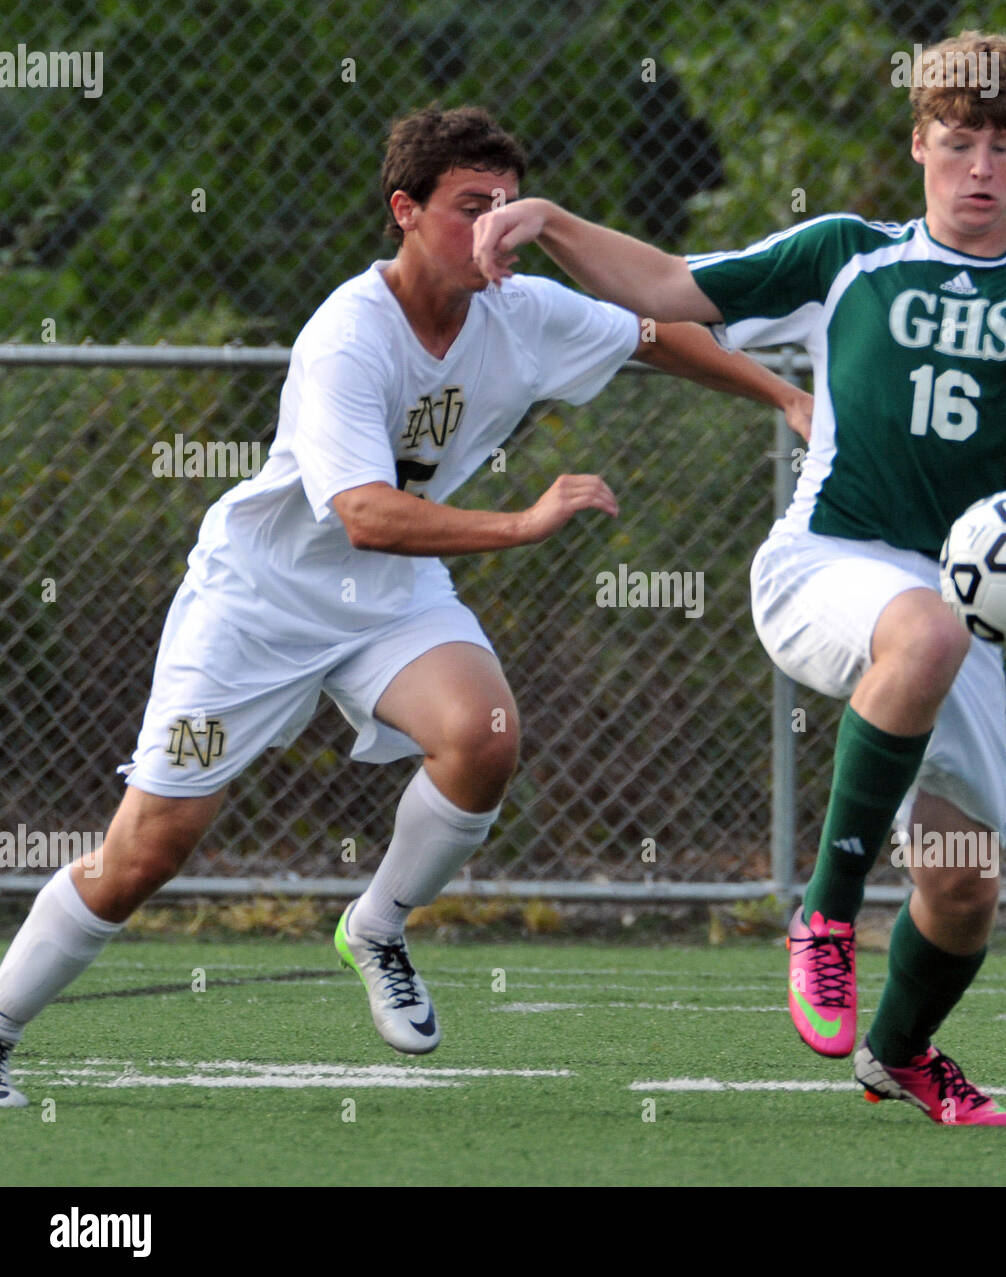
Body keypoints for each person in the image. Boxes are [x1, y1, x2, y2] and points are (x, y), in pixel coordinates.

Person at [0, 104, 812, 1108]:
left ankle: (377, 923)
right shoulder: (348, 334)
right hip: (259, 602)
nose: (497, 230)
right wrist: (519, 524)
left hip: (389, 597)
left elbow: (652, 332)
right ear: (405, 210)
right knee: (144, 854)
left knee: (484, 733)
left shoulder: (523, 307)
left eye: (510, 207)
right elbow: (365, 513)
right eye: (472, 207)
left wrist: (786, 399)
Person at [471, 32, 1006, 1125]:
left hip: (954, 612)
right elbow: (665, 283)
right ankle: (825, 916)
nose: (979, 165)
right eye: (957, 141)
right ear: (918, 144)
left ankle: (897, 1053)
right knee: (926, 633)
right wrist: (548, 219)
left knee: (961, 884)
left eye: (1002, 143)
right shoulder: (846, 255)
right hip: (825, 566)